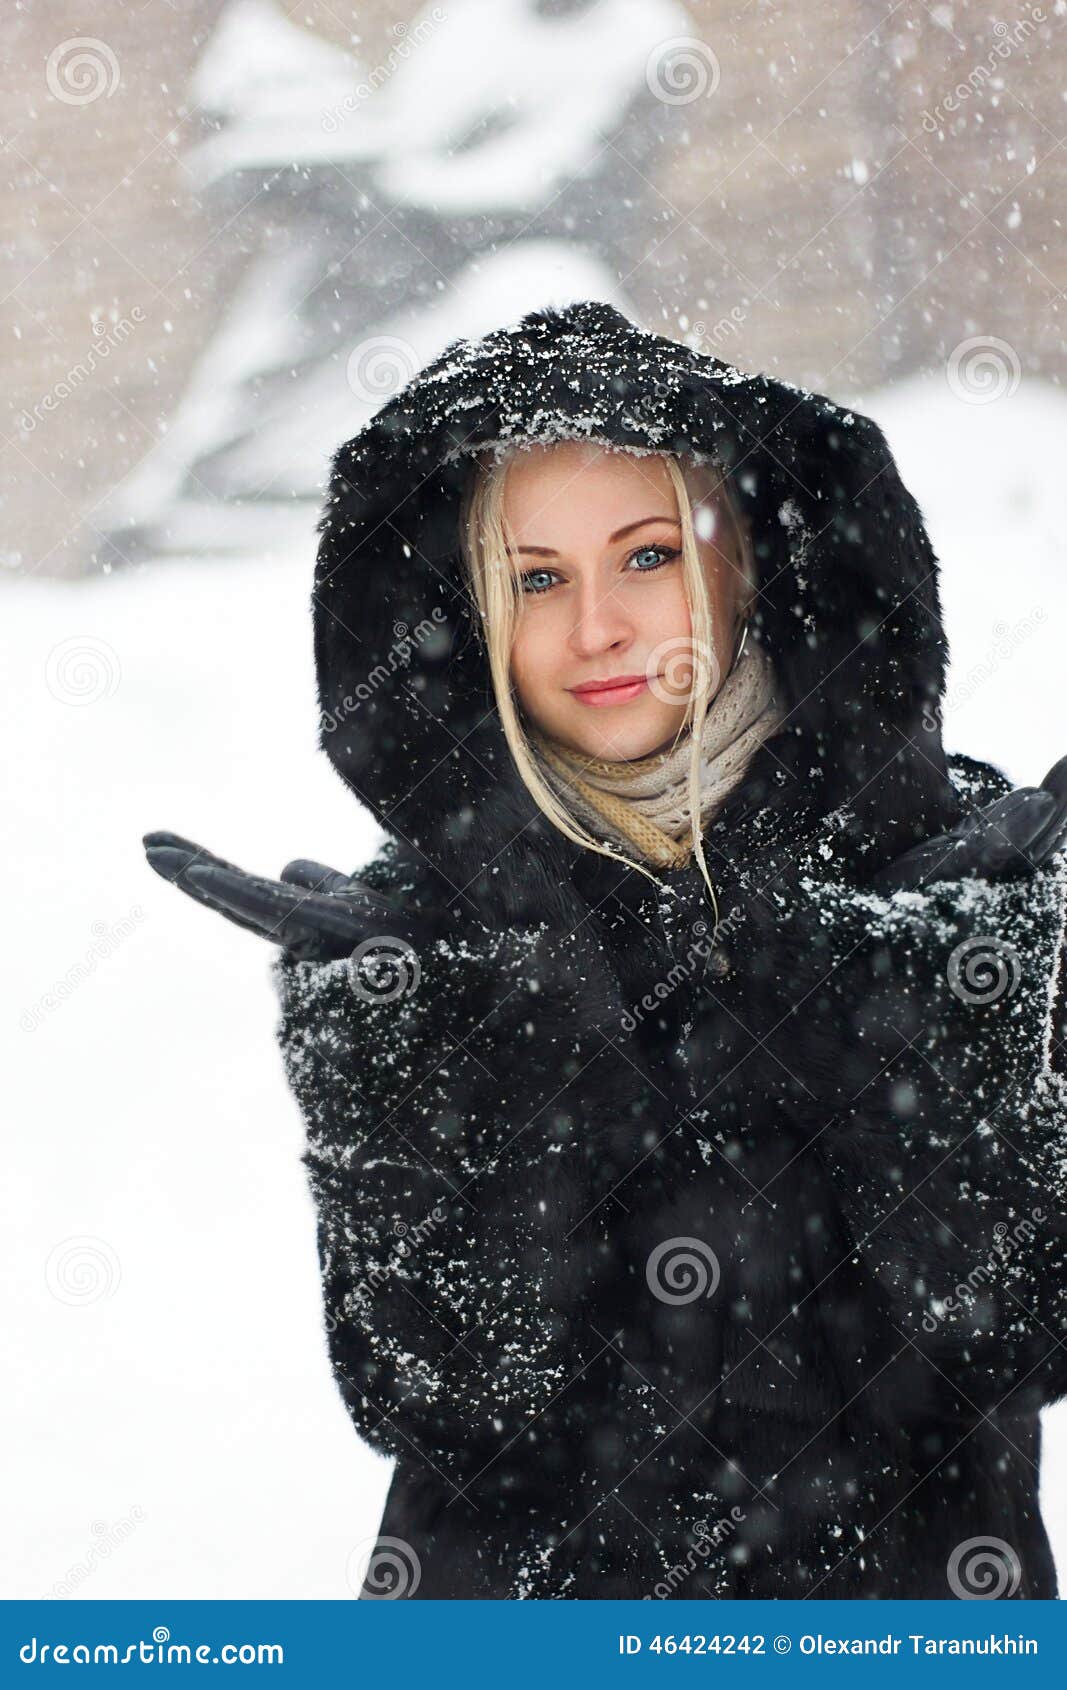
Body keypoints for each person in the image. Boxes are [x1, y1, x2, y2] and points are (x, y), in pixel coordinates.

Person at [145, 300, 1067, 1600]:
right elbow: (433, 1400)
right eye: (537, 577)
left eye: (646, 556)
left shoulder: (949, 870)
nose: (599, 627)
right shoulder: (424, 932)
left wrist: (941, 1054)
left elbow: (1023, 1333)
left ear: (743, 556)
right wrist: (406, 1116)